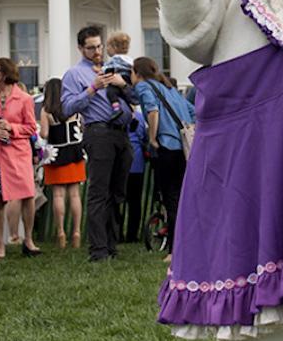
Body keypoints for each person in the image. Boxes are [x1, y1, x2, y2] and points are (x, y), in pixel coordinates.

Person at [61, 26, 131, 262]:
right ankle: (99, 250)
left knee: (117, 192)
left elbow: (135, 97)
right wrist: (92, 89)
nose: (97, 51)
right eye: (91, 47)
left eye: (99, 46)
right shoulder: (74, 74)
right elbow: (68, 108)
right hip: (98, 132)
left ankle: (112, 245)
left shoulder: (113, 69)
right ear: (81, 48)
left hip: (121, 133)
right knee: (99, 193)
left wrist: (122, 84)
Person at [134, 56, 194, 263]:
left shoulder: (143, 87)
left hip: (166, 147)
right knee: (181, 197)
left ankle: (174, 249)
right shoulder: (169, 88)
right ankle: (186, 245)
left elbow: (152, 111)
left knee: (170, 198)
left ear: (137, 73)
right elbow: (193, 112)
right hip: (182, 148)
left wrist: (152, 138)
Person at [0, 58, 40, 258]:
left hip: (18, 153)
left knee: (27, 195)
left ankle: (28, 239)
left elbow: (31, 127)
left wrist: (12, 128)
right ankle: (0, 245)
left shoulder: (24, 98)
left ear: (4, 74)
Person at [39, 78, 85, 249]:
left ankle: (60, 232)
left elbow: (44, 134)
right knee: (75, 195)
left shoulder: (47, 110)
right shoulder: (74, 108)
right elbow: (81, 128)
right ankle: (77, 232)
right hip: (74, 152)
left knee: (58, 195)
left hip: (56, 153)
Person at [123, 97, 148, 245]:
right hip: (137, 162)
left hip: (121, 163)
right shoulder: (139, 117)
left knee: (117, 200)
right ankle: (132, 234)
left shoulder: (118, 116)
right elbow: (144, 137)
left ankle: (117, 232)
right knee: (135, 202)